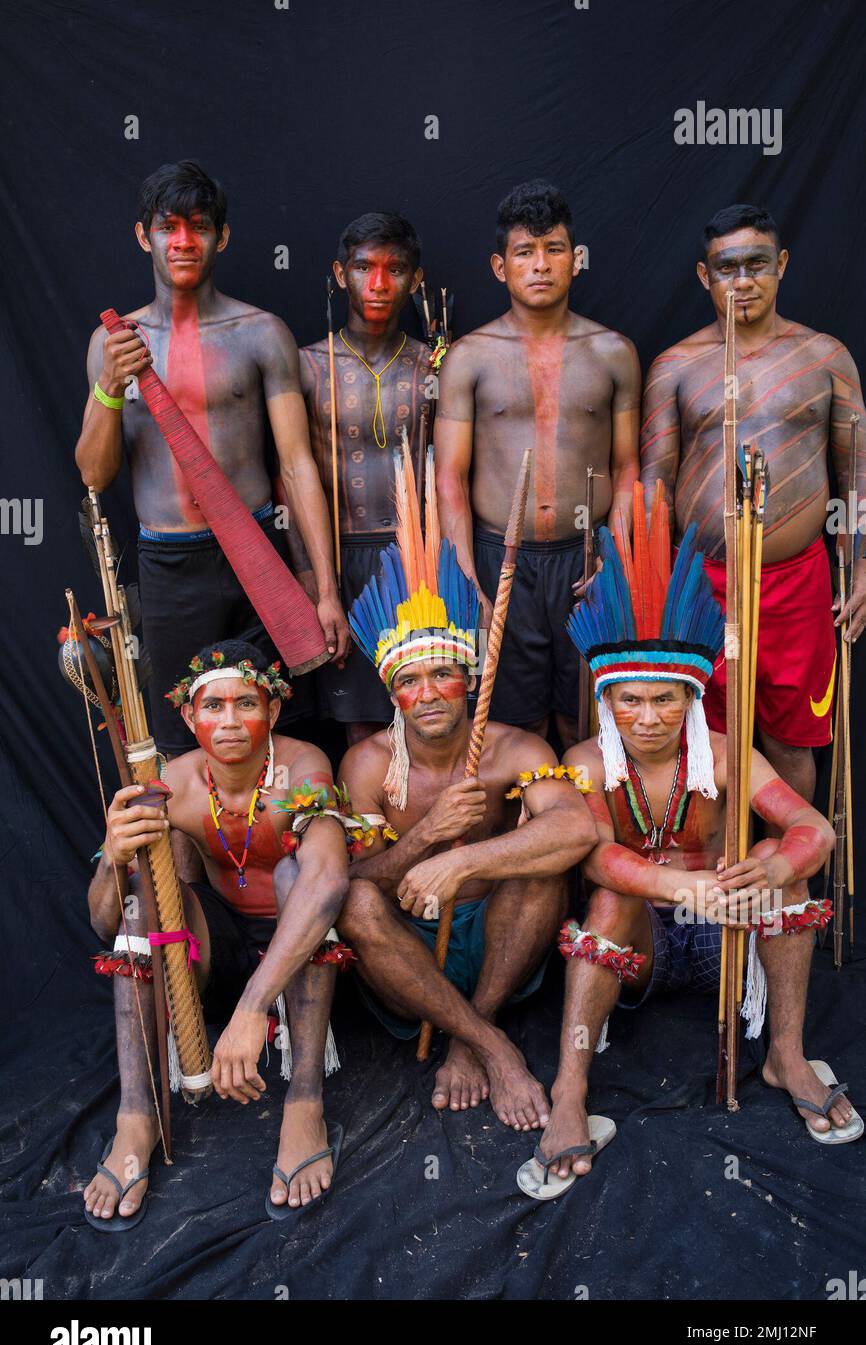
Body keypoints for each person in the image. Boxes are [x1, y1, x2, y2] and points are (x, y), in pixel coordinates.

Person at [517, 483, 860, 1201]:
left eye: (664, 698)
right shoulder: (585, 763)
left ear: (691, 697)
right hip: (639, 945)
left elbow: (814, 830)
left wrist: (772, 861)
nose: (647, 717)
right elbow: (593, 853)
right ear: (608, 700)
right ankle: (572, 1088)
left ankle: (788, 1057)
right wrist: (678, 885)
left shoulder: (727, 753)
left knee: (788, 881)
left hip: (725, 941)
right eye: (630, 699)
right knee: (610, 895)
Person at [335, 454, 598, 1129]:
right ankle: (495, 1046)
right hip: (409, 958)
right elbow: (350, 884)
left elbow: (576, 831)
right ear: (391, 692)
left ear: (469, 676)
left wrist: (464, 860)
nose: (425, 695)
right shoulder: (367, 767)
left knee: (542, 864)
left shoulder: (515, 750)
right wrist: (424, 839)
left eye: (441, 676)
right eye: (409, 682)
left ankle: (470, 1029)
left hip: (501, 948)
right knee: (358, 902)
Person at [74, 160, 349, 758]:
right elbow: (95, 475)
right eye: (168, 227)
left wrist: (325, 590)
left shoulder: (260, 332)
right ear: (144, 237)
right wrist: (110, 386)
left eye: (198, 226)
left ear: (220, 237)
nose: (183, 241)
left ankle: (284, 851)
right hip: (169, 564)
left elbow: (299, 465)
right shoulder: (113, 342)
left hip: (255, 551)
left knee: (277, 729)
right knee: (180, 743)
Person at [83, 641, 359, 1227]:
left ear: (274, 710)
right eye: (213, 707)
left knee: (296, 876)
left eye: (245, 703)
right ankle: (136, 1118)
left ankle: (304, 1099)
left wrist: (252, 1008)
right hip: (216, 951)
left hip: (296, 956)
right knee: (140, 902)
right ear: (189, 716)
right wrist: (113, 855)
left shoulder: (303, 766)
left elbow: (331, 881)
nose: (230, 721)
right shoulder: (170, 782)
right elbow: (106, 924)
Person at [640, 203, 866, 804]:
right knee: (704, 736)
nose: (743, 282)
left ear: (782, 265)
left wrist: (862, 564)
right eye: (727, 268)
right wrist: (650, 577)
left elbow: (856, 471)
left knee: (791, 742)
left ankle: (790, 890)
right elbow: (653, 484)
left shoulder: (825, 357)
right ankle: (715, 888)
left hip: (798, 581)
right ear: (703, 276)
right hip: (701, 581)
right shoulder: (676, 366)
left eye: (757, 265)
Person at [435, 179, 641, 745]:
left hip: (587, 558)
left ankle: (588, 831)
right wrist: (464, 577)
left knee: (589, 717)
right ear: (500, 267)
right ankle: (522, 831)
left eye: (554, 250)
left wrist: (615, 558)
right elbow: (449, 477)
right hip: (500, 557)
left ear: (575, 260)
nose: (541, 265)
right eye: (525, 252)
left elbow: (627, 469)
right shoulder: (469, 358)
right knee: (507, 724)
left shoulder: (613, 352)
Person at [297, 211, 431, 744]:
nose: (378, 284)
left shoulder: (435, 365)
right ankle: (365, 828)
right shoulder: (308, 365)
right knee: (360, 722)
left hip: (417, 553)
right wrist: (316, 585)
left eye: (395, 269)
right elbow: (291, 483)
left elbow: (452, 479)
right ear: (339, 273)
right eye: (363, 267)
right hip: (340, 555)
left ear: (415, 280)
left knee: (426, 708)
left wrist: (443, 567)